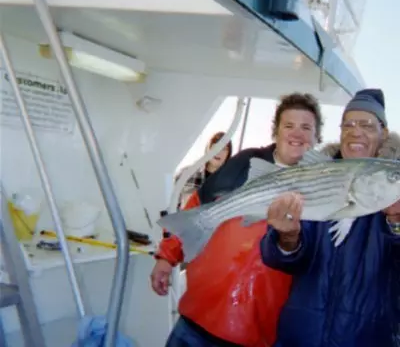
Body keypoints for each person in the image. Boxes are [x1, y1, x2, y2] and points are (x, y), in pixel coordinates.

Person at [151, 93, 324, 347]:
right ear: (275, 132)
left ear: (317, 137)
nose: (296, 133)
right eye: (289, 125)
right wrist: (167, 257)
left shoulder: (325, 184)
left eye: (306, 127)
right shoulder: (245, 163)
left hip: (257, 331)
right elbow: (198, 209)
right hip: (198, 314)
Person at [260, 88, 400, 347]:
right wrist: (287, 238)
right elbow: (278, 258)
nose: (355, 131)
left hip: (368, 338)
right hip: (300, 337)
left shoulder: (394, 183)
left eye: (367, 125)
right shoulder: (313, 177)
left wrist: (396, 224)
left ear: (383, 132)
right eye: (348, 124)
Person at [175, 131, 233, 209]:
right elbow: (168, 207)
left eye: (224, 149)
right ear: (207, 149)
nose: (219, 151)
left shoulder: (232, 184)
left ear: (228, 154)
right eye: (215, 146)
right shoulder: (185, 174)